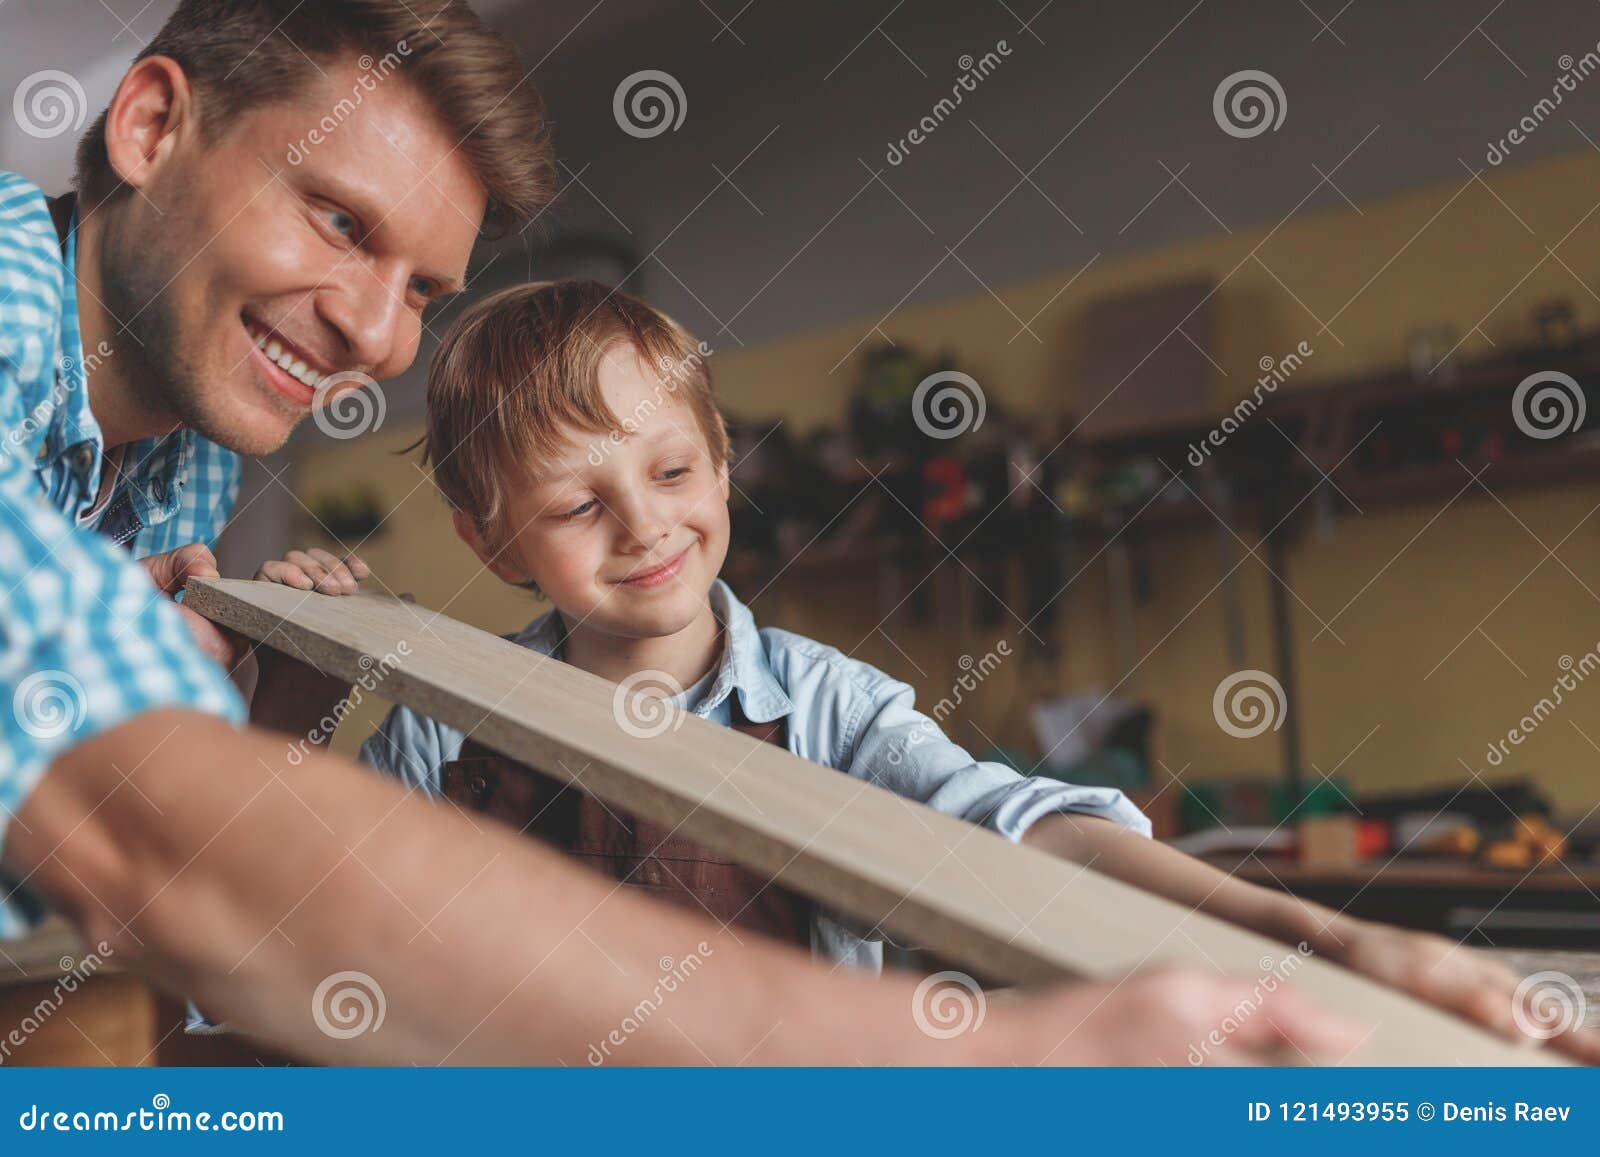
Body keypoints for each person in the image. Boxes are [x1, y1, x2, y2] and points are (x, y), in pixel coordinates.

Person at [0, 0, 1360, 1066]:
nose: (373, 334)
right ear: (151, 123)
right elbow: (160, 849)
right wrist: (976, 1067)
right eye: (338, 220)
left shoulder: (182, 458)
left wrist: (1300, 926)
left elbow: (996, 818)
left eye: (421, 285)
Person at [252, 279, 1598, 1062]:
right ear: (491, 544)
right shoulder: (450, 721)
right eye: (576, 504)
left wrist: (1329, 934)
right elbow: (303, 914)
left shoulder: (828, 709)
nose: (647, 523)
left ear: (721, 465)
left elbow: (1038, 837)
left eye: (670, 470)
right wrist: (296, 705)